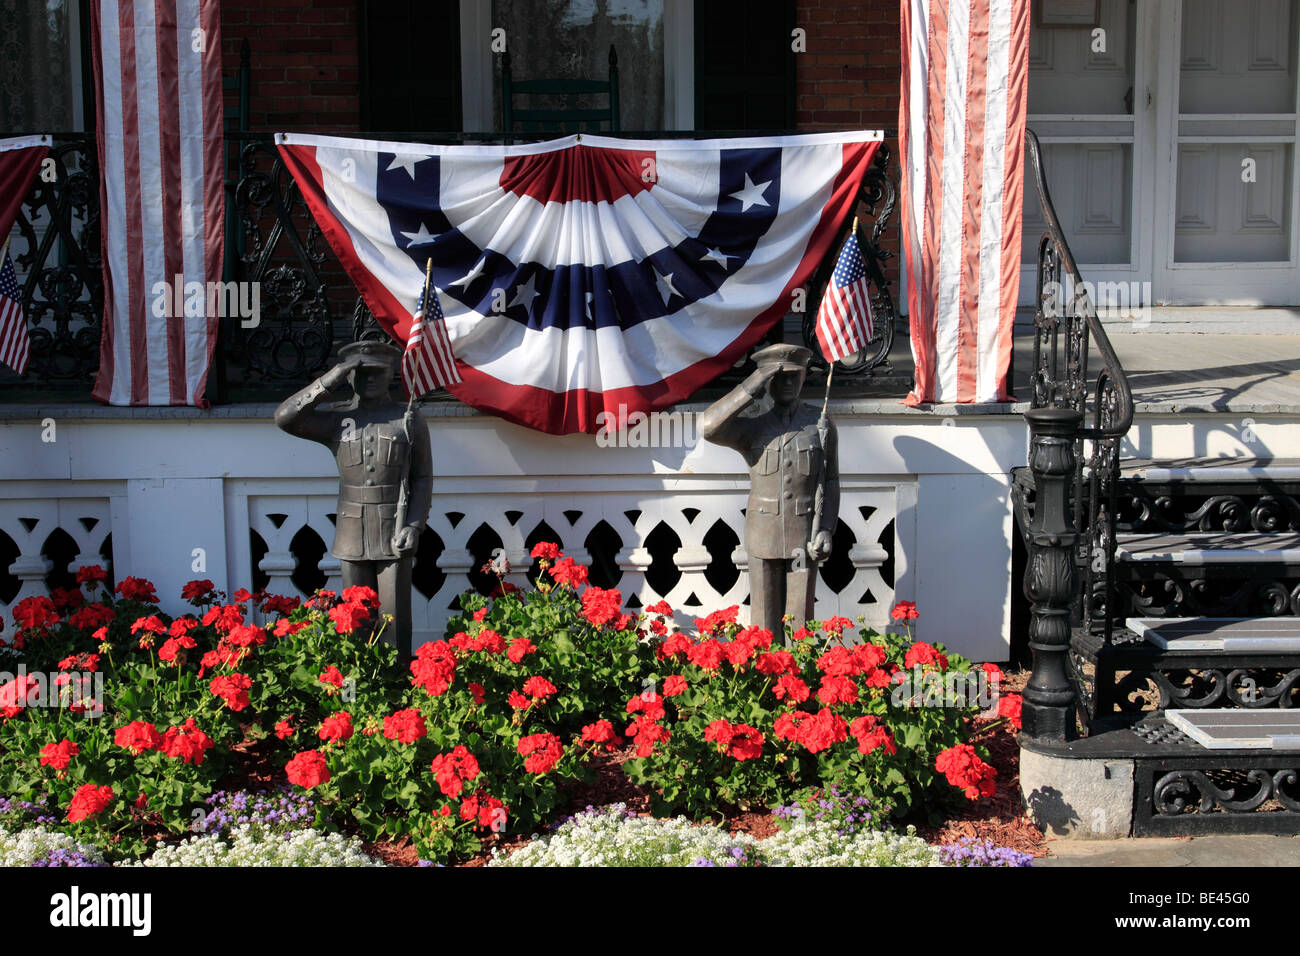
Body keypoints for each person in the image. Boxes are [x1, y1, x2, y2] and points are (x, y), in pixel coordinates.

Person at [274, 341, 433, 658]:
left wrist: (414, 526)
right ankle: (360, 686)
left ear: (391, 374)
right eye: (360, 374)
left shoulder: (408, 418)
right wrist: (329, 380)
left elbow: (422, 477)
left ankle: (396, 684)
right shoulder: (336, 420)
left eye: (377, 372)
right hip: (352, 529)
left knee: (394, 616)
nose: (369, 380)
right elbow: (285, 418)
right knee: (357, 616)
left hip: (394, 525)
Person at [699, 343, 839, 641]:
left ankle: (801, 680)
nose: (787, 383)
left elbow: (830, 481)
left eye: (793, 376)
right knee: (764, 620)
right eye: (778, 377)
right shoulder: (751, 426)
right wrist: (751, 385)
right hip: (764, 532)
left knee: (800, 619)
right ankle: (767, 678)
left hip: (805, 533)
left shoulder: (820, 424)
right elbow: (709, 426)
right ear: (766, 381)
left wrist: (826, 528)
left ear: (804, 377)